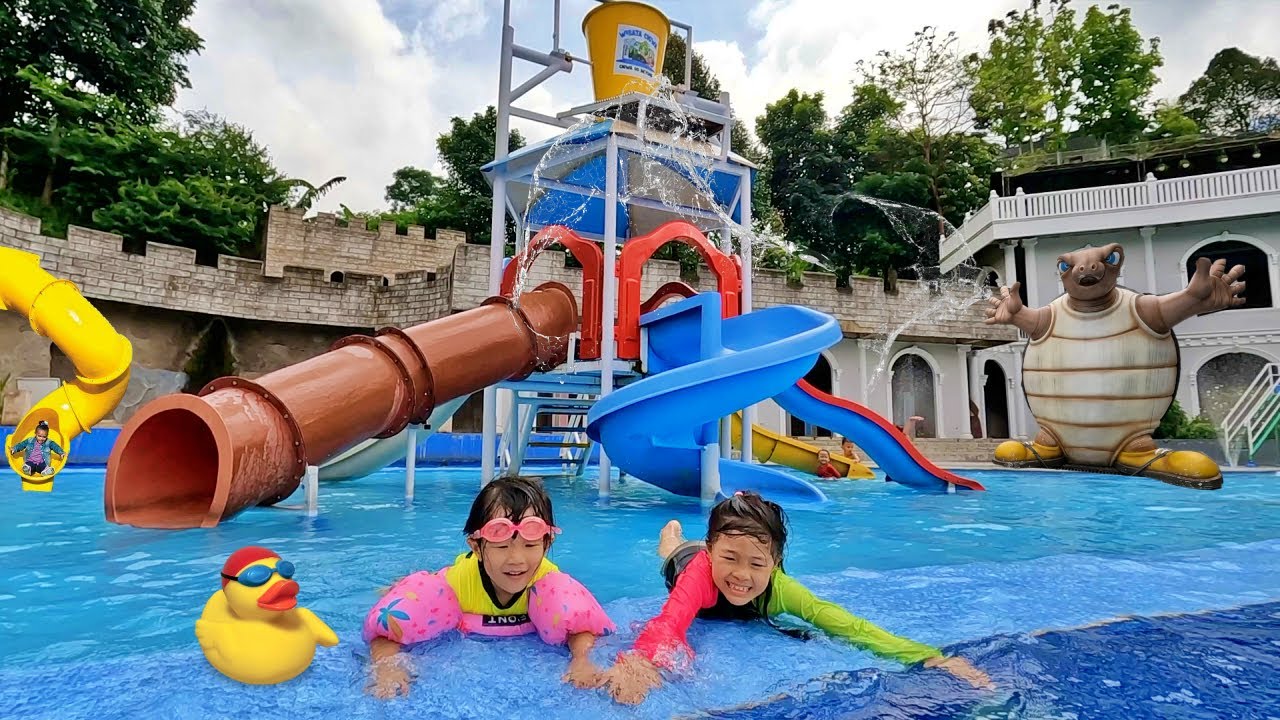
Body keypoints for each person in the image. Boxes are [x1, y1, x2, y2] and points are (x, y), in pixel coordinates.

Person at [600, 491, 991, 705]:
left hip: (716, 553)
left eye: (757, 563)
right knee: (669, 549)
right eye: (729, 558)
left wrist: (927, 656)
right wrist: (641, 665)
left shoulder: (782, 590)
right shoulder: (699, 573)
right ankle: (673, 536)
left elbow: (846, 624)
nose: (741, 575)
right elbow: (669, 622)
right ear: (713, 551)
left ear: (776, 562)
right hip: (684, 560)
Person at [363, 476, 615, 699]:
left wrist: (582, 660)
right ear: (475, 547)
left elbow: (578, 627)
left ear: (546, 544)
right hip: (450, 589)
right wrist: (387, 665)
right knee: (421, 591)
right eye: (502, 547)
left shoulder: (548, 583)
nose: (517, 559)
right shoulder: (454, 585)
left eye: (529, 546)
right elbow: (391, 632)